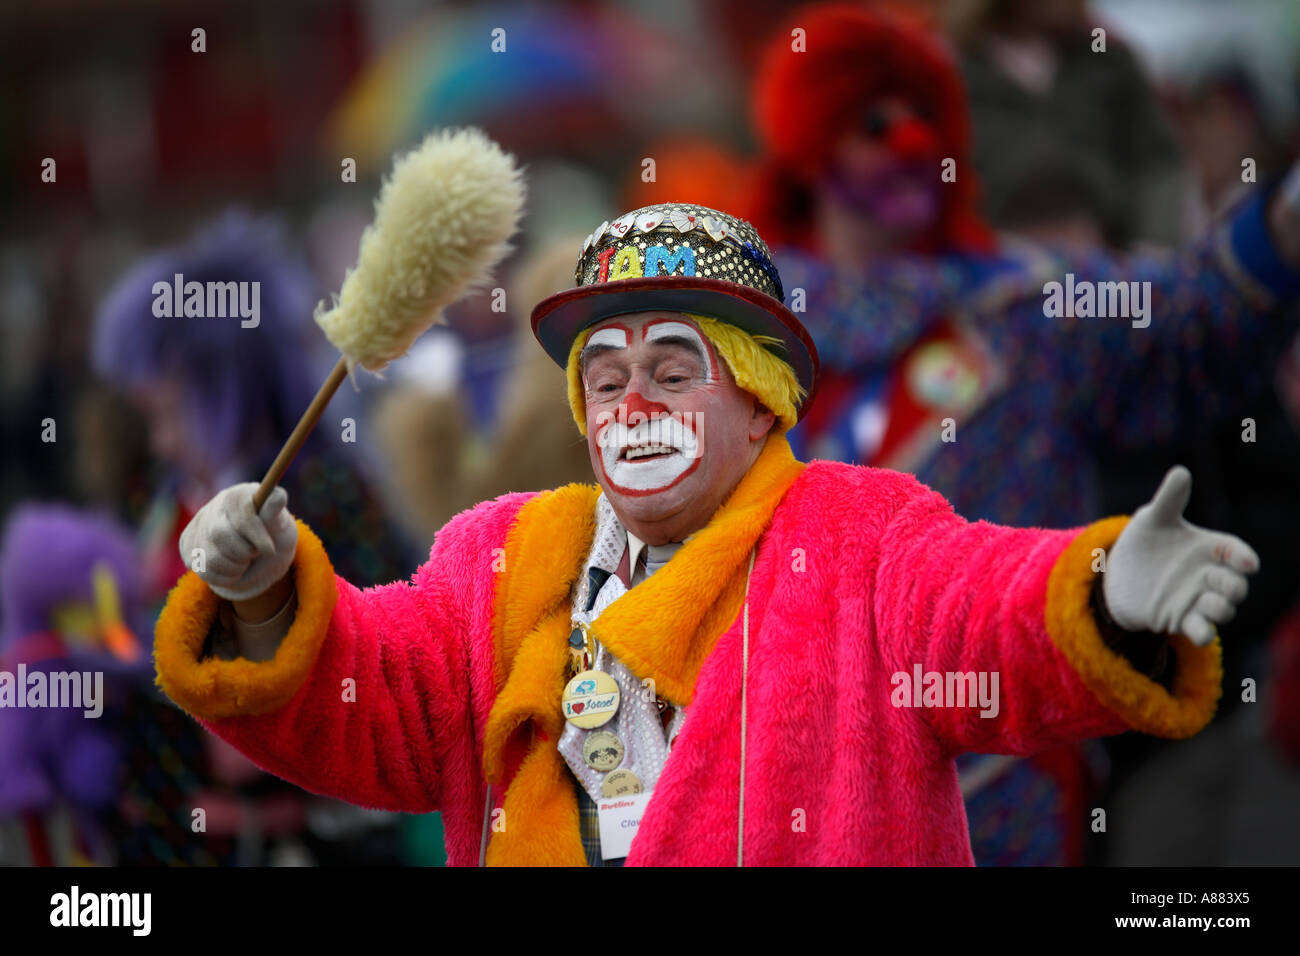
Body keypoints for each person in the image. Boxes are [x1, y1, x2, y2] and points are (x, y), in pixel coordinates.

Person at [153, 202, 1259, 866]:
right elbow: (375, 703)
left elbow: (981, 610)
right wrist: (262, 598)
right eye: (607, 374)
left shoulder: (860, 533)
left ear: (759, 400)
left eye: (673, 369)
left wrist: (1102, 583)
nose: (633, 402)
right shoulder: (499, 554)